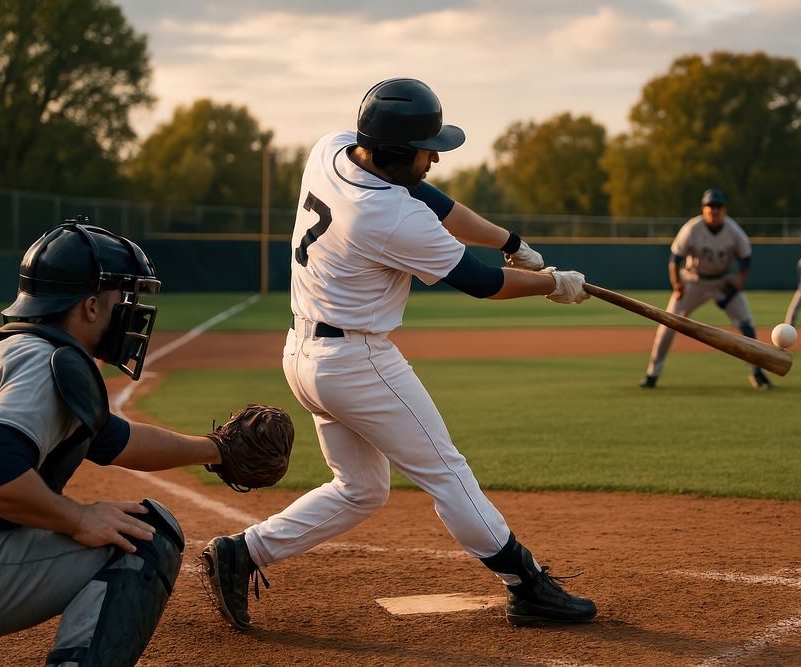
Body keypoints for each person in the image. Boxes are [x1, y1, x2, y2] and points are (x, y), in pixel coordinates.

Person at [200, 77, 597, 630]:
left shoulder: (332, 149)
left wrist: (511, 243)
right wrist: (553, 283)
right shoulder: (386, 217)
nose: (435, 158)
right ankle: (527, 586)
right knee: (446, 473)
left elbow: (431, 198)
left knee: (361, 489)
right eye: (426, 149)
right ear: (396, 151)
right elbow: (482, 283)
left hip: (303, 356)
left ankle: (243, 553)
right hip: (356, 362)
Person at [0, 219, 229, 665]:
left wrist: (216, 449)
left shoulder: (1, 350)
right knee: (145, 537)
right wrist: (75, 518)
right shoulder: (45, 362)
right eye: (120, 298)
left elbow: (116, 439)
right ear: (90, 307)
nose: (128, 310)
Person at [641, 188, 774, 390]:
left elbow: (746, 258)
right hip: (693, 281)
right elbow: (675, 259)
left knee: (746, 324)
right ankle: (653, 374)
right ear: (703, 209)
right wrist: (676, 283)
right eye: (710, 206)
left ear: (724, 210)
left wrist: (739, 279)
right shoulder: (692, 228)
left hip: (722, 282)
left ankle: (757, 372)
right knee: (667, 324)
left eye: (718, 206)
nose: (714, 210)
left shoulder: (733, 231)